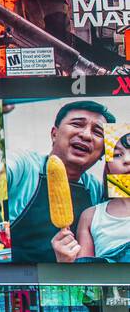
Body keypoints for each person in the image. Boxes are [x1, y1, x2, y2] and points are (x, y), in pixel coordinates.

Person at [8, 101, 111, 263]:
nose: (86, 135)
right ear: (54, 134)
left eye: (98, 132)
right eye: (77, 124)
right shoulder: (24, 167)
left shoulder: (96, 191)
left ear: (102, 154)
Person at [76, 132, 130, 261]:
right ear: (108, 166)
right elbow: (85, 274)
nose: (127, 160)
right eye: (117, 154)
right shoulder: (90, 216)